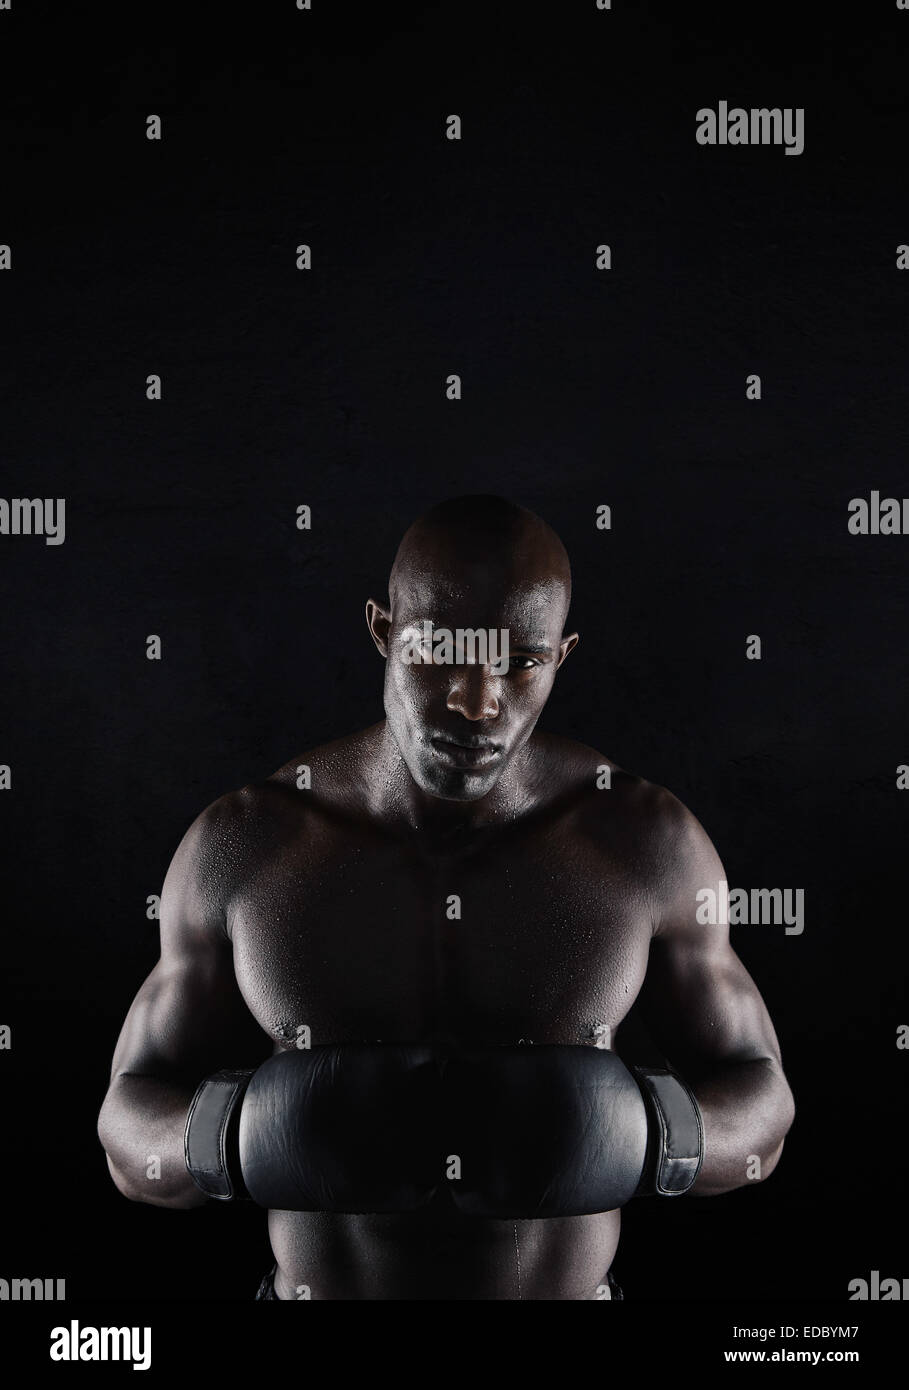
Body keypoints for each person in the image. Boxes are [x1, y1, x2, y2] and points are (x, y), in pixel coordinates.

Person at [97, 494, 795, 1300]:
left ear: (561, 657)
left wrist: (645, 1135)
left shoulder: (643, 842)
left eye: (521, 662)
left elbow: (762, 1106)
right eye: (439, 651)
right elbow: (125, 1133)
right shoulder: (248, 845)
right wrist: (238, 1136)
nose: (477, 702)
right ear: (383, 632)